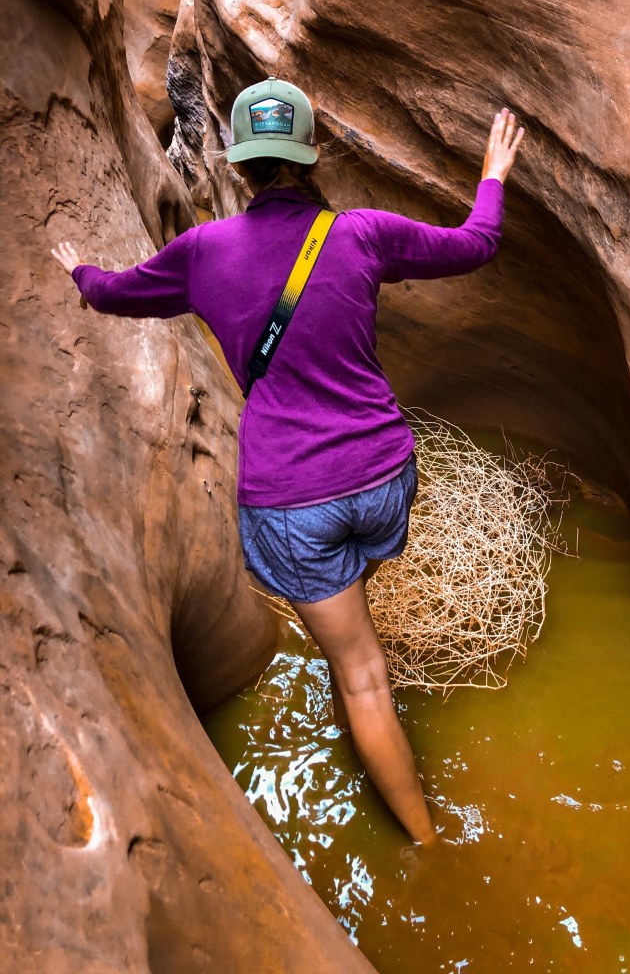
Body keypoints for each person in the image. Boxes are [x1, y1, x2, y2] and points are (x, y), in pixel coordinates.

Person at [51, 77, 524, 846]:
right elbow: (477, 243)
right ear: (307, 159)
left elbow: (112, 295)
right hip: (383, 481)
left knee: (360, 668)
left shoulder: (203, 253)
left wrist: (79, 272)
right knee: (355, 635)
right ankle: (359, 694)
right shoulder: (363, 233)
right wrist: (493, 177)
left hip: (294, 500)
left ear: (240, 167)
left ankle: (427, 846)